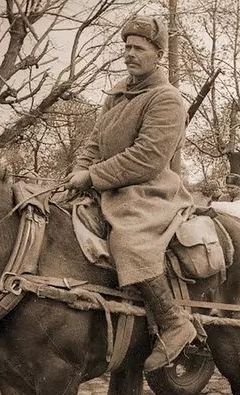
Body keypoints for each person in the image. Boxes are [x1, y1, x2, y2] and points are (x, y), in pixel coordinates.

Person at [64, 15, 196, 372]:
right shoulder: (117, 95)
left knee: (128, 239)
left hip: (147, 190)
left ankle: (173, 322)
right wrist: (77, 173)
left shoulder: (166, 99)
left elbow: (147, 158)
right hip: (108, 185)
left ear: (158, 54)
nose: (129, 54)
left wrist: (91, 176)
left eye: (138, 47)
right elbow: (94, 143)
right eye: (126, 46)